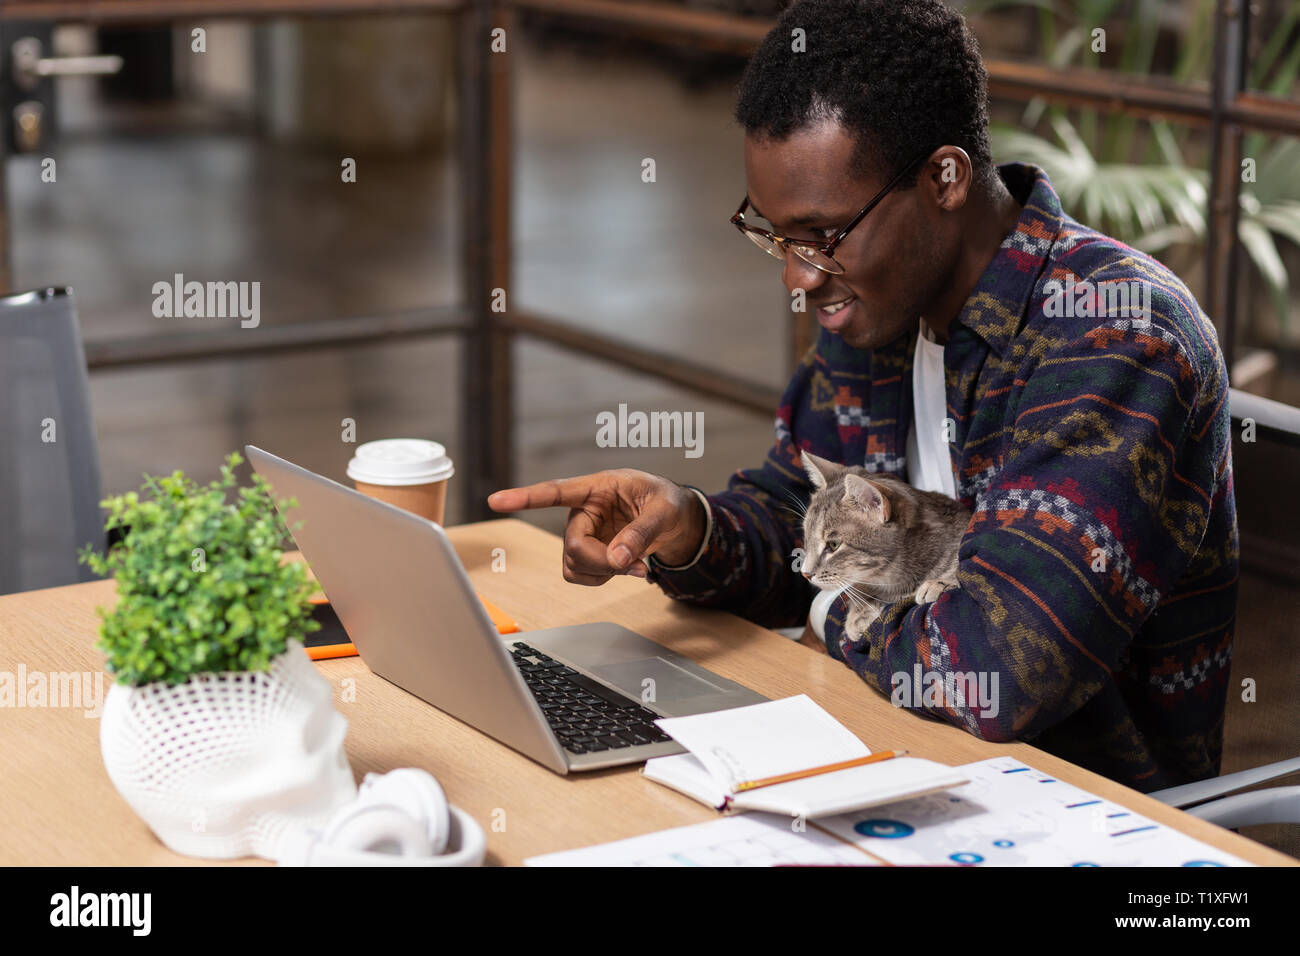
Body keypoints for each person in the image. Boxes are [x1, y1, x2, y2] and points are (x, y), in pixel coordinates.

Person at [488, 0, 1236, 794]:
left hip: (1073, 810)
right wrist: (689, 527)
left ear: (945, 178)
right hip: (876, 756)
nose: (798, 278)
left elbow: (989, 669)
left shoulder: (1115, 334)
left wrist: (821, 615)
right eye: (775, 235)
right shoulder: (870, 312)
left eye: (822, 236)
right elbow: (794, 529)